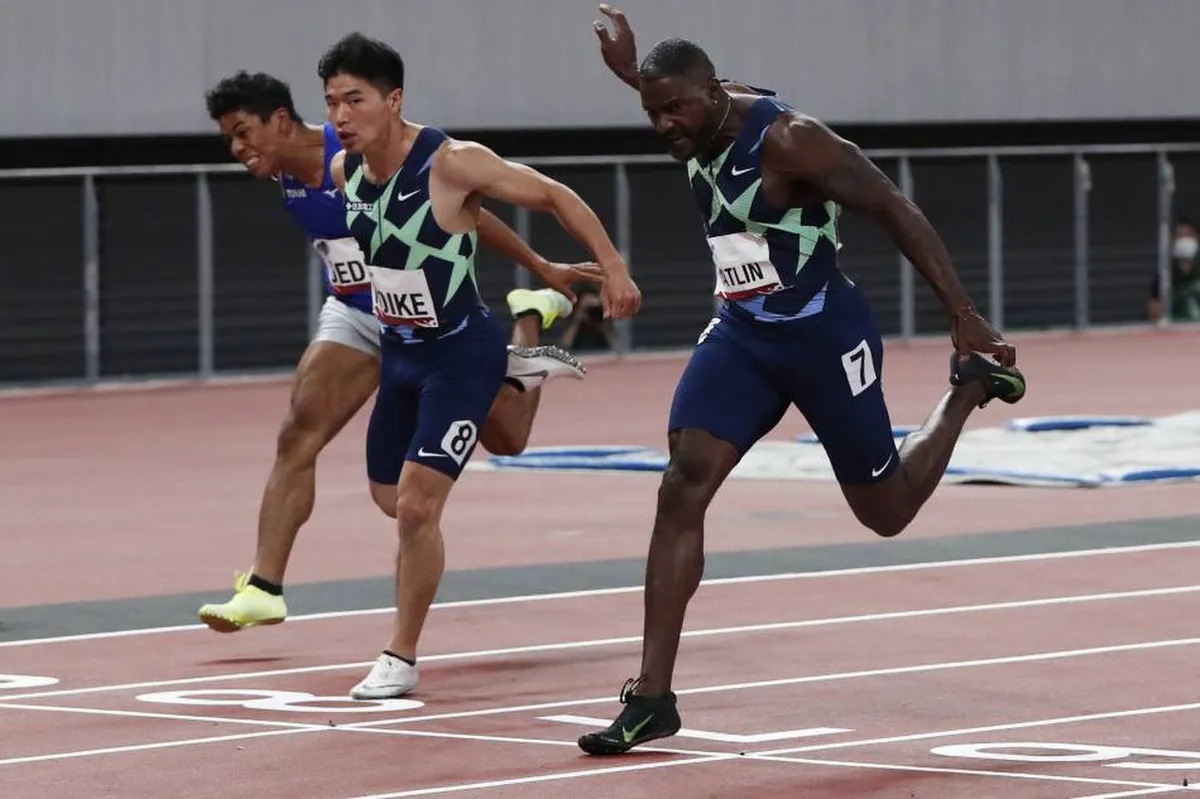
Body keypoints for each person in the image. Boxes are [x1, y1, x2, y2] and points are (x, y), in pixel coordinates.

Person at [575, 6, 1027, 755]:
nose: (663, 127)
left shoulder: (792, 141)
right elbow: (666, 93)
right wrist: (631, 74)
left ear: (713, 90)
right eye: (652, 112)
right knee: (682, 480)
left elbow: (894, 207)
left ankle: (965, 390)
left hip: (824, 334)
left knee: (885, 511)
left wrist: (966, 315)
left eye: (674, 108)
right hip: (745, 335)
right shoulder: (685, 113)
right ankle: (652, 696)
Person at [196, 70, 602, 634]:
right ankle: (265, 587)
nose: (238, 150)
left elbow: (470, 211)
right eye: (229, 141)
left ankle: (529, 319)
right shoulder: (280, 173)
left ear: (281, 121)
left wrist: (541, 265)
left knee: (509, 440)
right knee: (299, 431)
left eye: (243, 134)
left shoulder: (355, 148)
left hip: (431, 322)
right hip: (359, 315)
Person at [316, 32, 641, 699]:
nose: (341, 115)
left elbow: (551, 195)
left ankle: (399, 656)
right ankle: (532, 331)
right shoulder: (346, 174)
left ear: (394, 98)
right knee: (457, 464)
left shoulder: (451, 160)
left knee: (414, 507)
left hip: (459, 353)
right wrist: (542, 269)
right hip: (400, 355)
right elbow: (468, 220)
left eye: (355, 99)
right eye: (331, 102)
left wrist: (610, 266)